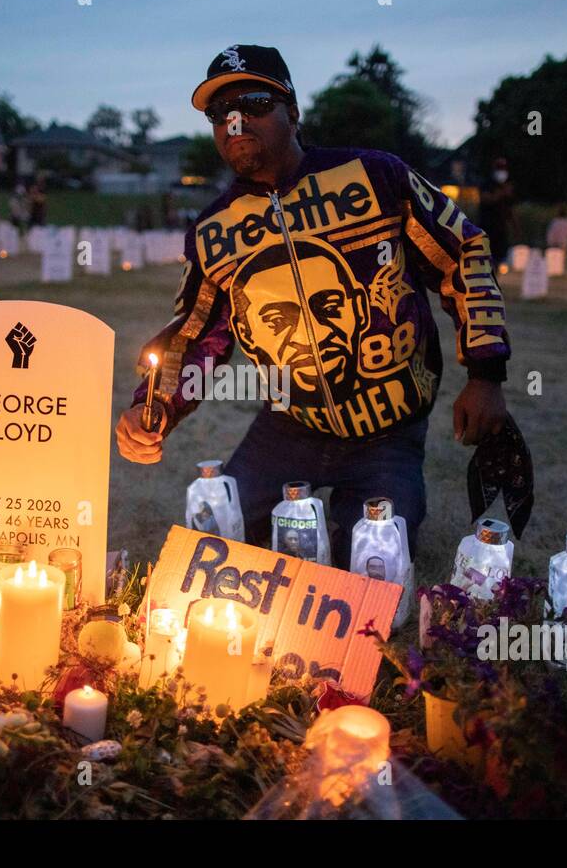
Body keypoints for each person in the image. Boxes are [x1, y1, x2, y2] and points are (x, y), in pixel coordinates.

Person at [115, 44, 511, 578]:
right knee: (221, 541)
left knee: (371, 566)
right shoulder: (214, 230)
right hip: (289, 426)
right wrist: (153, 409)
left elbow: (463, 252)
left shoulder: (377, 178)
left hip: (387, 431)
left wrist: (485, 373)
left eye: (252, 103)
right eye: (219, 114)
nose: (234, 122)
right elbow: (196, 333)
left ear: (293, 112)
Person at [478, 157, 517, 272]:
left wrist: (515, 227)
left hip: (501, 228)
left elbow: (510, 209)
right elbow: (485, 199)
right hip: (487, 226)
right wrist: (502, 193)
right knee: (486, 254)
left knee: (499, 257)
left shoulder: (508, 186)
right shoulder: (487, 184)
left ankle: (494, 275)